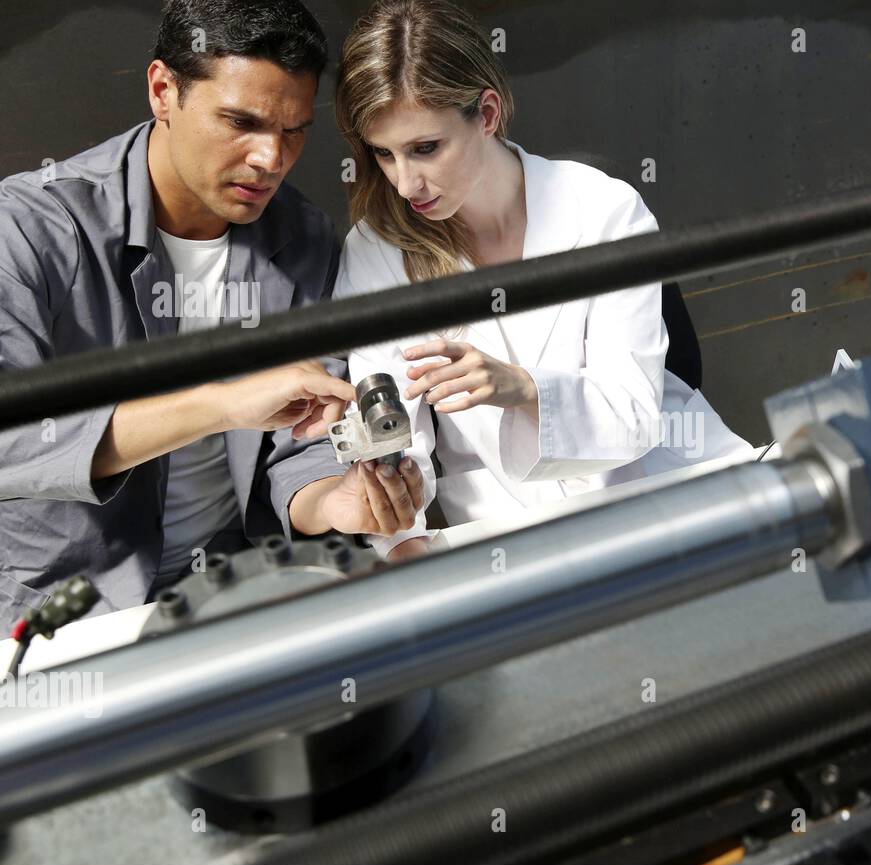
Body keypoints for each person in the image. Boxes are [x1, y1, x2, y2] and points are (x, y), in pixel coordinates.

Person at [0, 0, 424, 626]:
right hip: (68, 609)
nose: (270, 159)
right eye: (241, 122)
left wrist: (336, 500)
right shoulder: (29, 227)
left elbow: (297, 448)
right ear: (163, 90)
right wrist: (223, 404)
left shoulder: (304, 238)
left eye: (294, 130)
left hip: (240, 586)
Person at [335, 0, 755, 562]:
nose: (406, 181)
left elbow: (631, 419)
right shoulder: (376, 250)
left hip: (665, 494)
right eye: (382, 154)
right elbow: (391, 429)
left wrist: (522, 387)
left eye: (426, 148)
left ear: (486, 114)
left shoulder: (604, 210)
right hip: (509, 539)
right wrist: (397, 510)